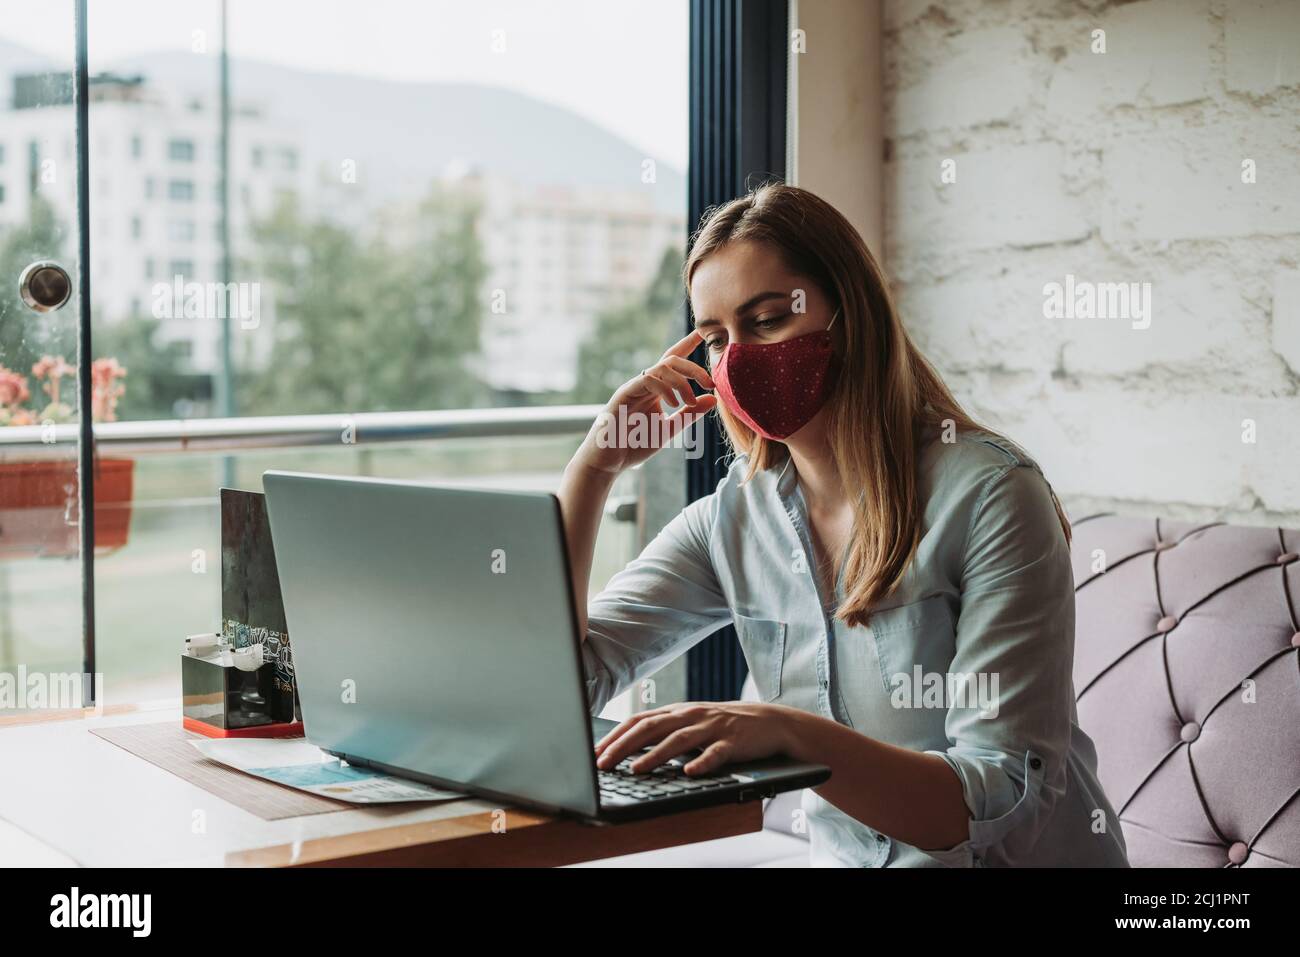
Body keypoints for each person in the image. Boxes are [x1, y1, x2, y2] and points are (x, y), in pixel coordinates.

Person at [556, 183, 1130, 867]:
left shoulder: (991, 496)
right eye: (714, 339)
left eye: (766, 320)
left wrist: (790, 735)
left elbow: (997, 795)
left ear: (850, 316)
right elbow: (560, 683)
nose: (736, 357)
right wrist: (593, 468)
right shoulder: (733, 519)